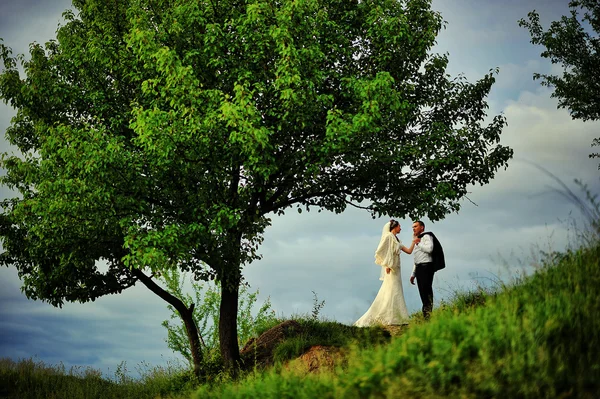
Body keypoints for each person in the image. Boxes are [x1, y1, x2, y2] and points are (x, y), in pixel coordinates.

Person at [354, 219, 417, 327]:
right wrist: (386, 264)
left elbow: (409, 251)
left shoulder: (396, 239)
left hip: (397, 269)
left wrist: (413, 242)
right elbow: (380, 251)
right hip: (392, 268)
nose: (400, 228)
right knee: (392, 290)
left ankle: (398, 316)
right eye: (399, 226)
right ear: (395, 227)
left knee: (396, 290)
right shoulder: (388, 236)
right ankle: (390, 317)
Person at [409, 220, 444, 319]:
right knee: (422, 292)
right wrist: (413, 274)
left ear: (422, 227)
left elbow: (429, 249)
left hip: (426, 267)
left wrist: (418, 243)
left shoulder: (426, 236)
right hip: (419, 268)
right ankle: (426, 315)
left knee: (426, 291)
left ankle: (428, 315)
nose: (413, 229)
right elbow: (417, 258)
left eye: (415, 226)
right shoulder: (417, 239)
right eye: (413, 227)